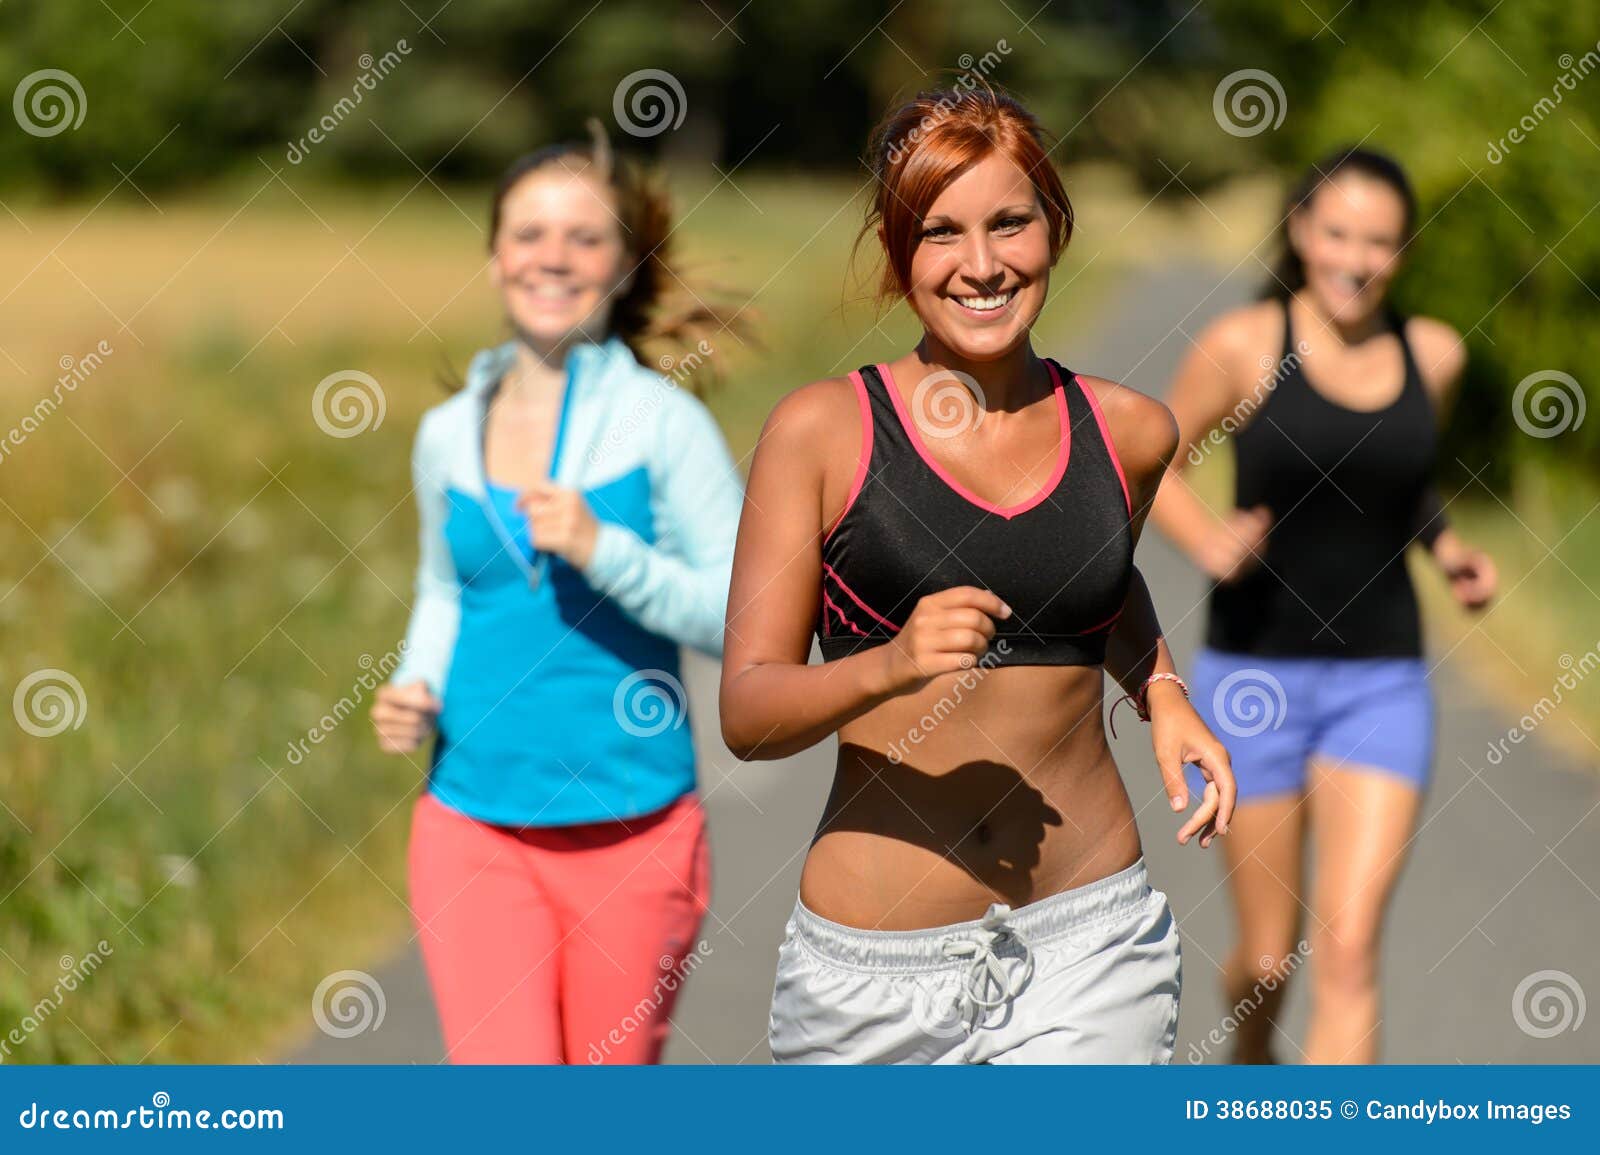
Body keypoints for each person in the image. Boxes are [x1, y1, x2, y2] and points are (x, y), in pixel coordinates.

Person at [719, 84, 1236, 1065]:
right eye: (941, 233)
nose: (983, 264)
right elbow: (747, 715)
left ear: (1055, 227)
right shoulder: (820, 432)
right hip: (871, 981)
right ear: (896, 250)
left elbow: (1089, 575)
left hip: (1091, 947)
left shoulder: (1129, 432)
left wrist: (1162, 688)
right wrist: (888, 664)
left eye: (1011, 222)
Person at [370, 126, 745, 1064]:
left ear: (623, 265)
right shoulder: (445, 433)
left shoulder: (666, 424)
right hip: (471, 824)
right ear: (495, 256)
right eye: (529, 233)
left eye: (585, 237)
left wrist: (603, 549)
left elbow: (743, 616)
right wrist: (415, 680)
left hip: (635, 832)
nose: (554, 257)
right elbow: (443, 587)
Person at [1149, 146, 1498, 1064]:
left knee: (1346, 956)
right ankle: (1251, 1069)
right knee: (1268, 961)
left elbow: (1397, 481)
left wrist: (1451, 550)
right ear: (1301, 230)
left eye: (1379, 242)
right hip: (1254, 676)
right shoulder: (1245, 344)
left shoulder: (1434, 353)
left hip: (1381, 682)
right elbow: (1153, 465)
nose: (1355, 258)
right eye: (1338, 233)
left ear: (1403, 251)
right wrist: (1207, 540)